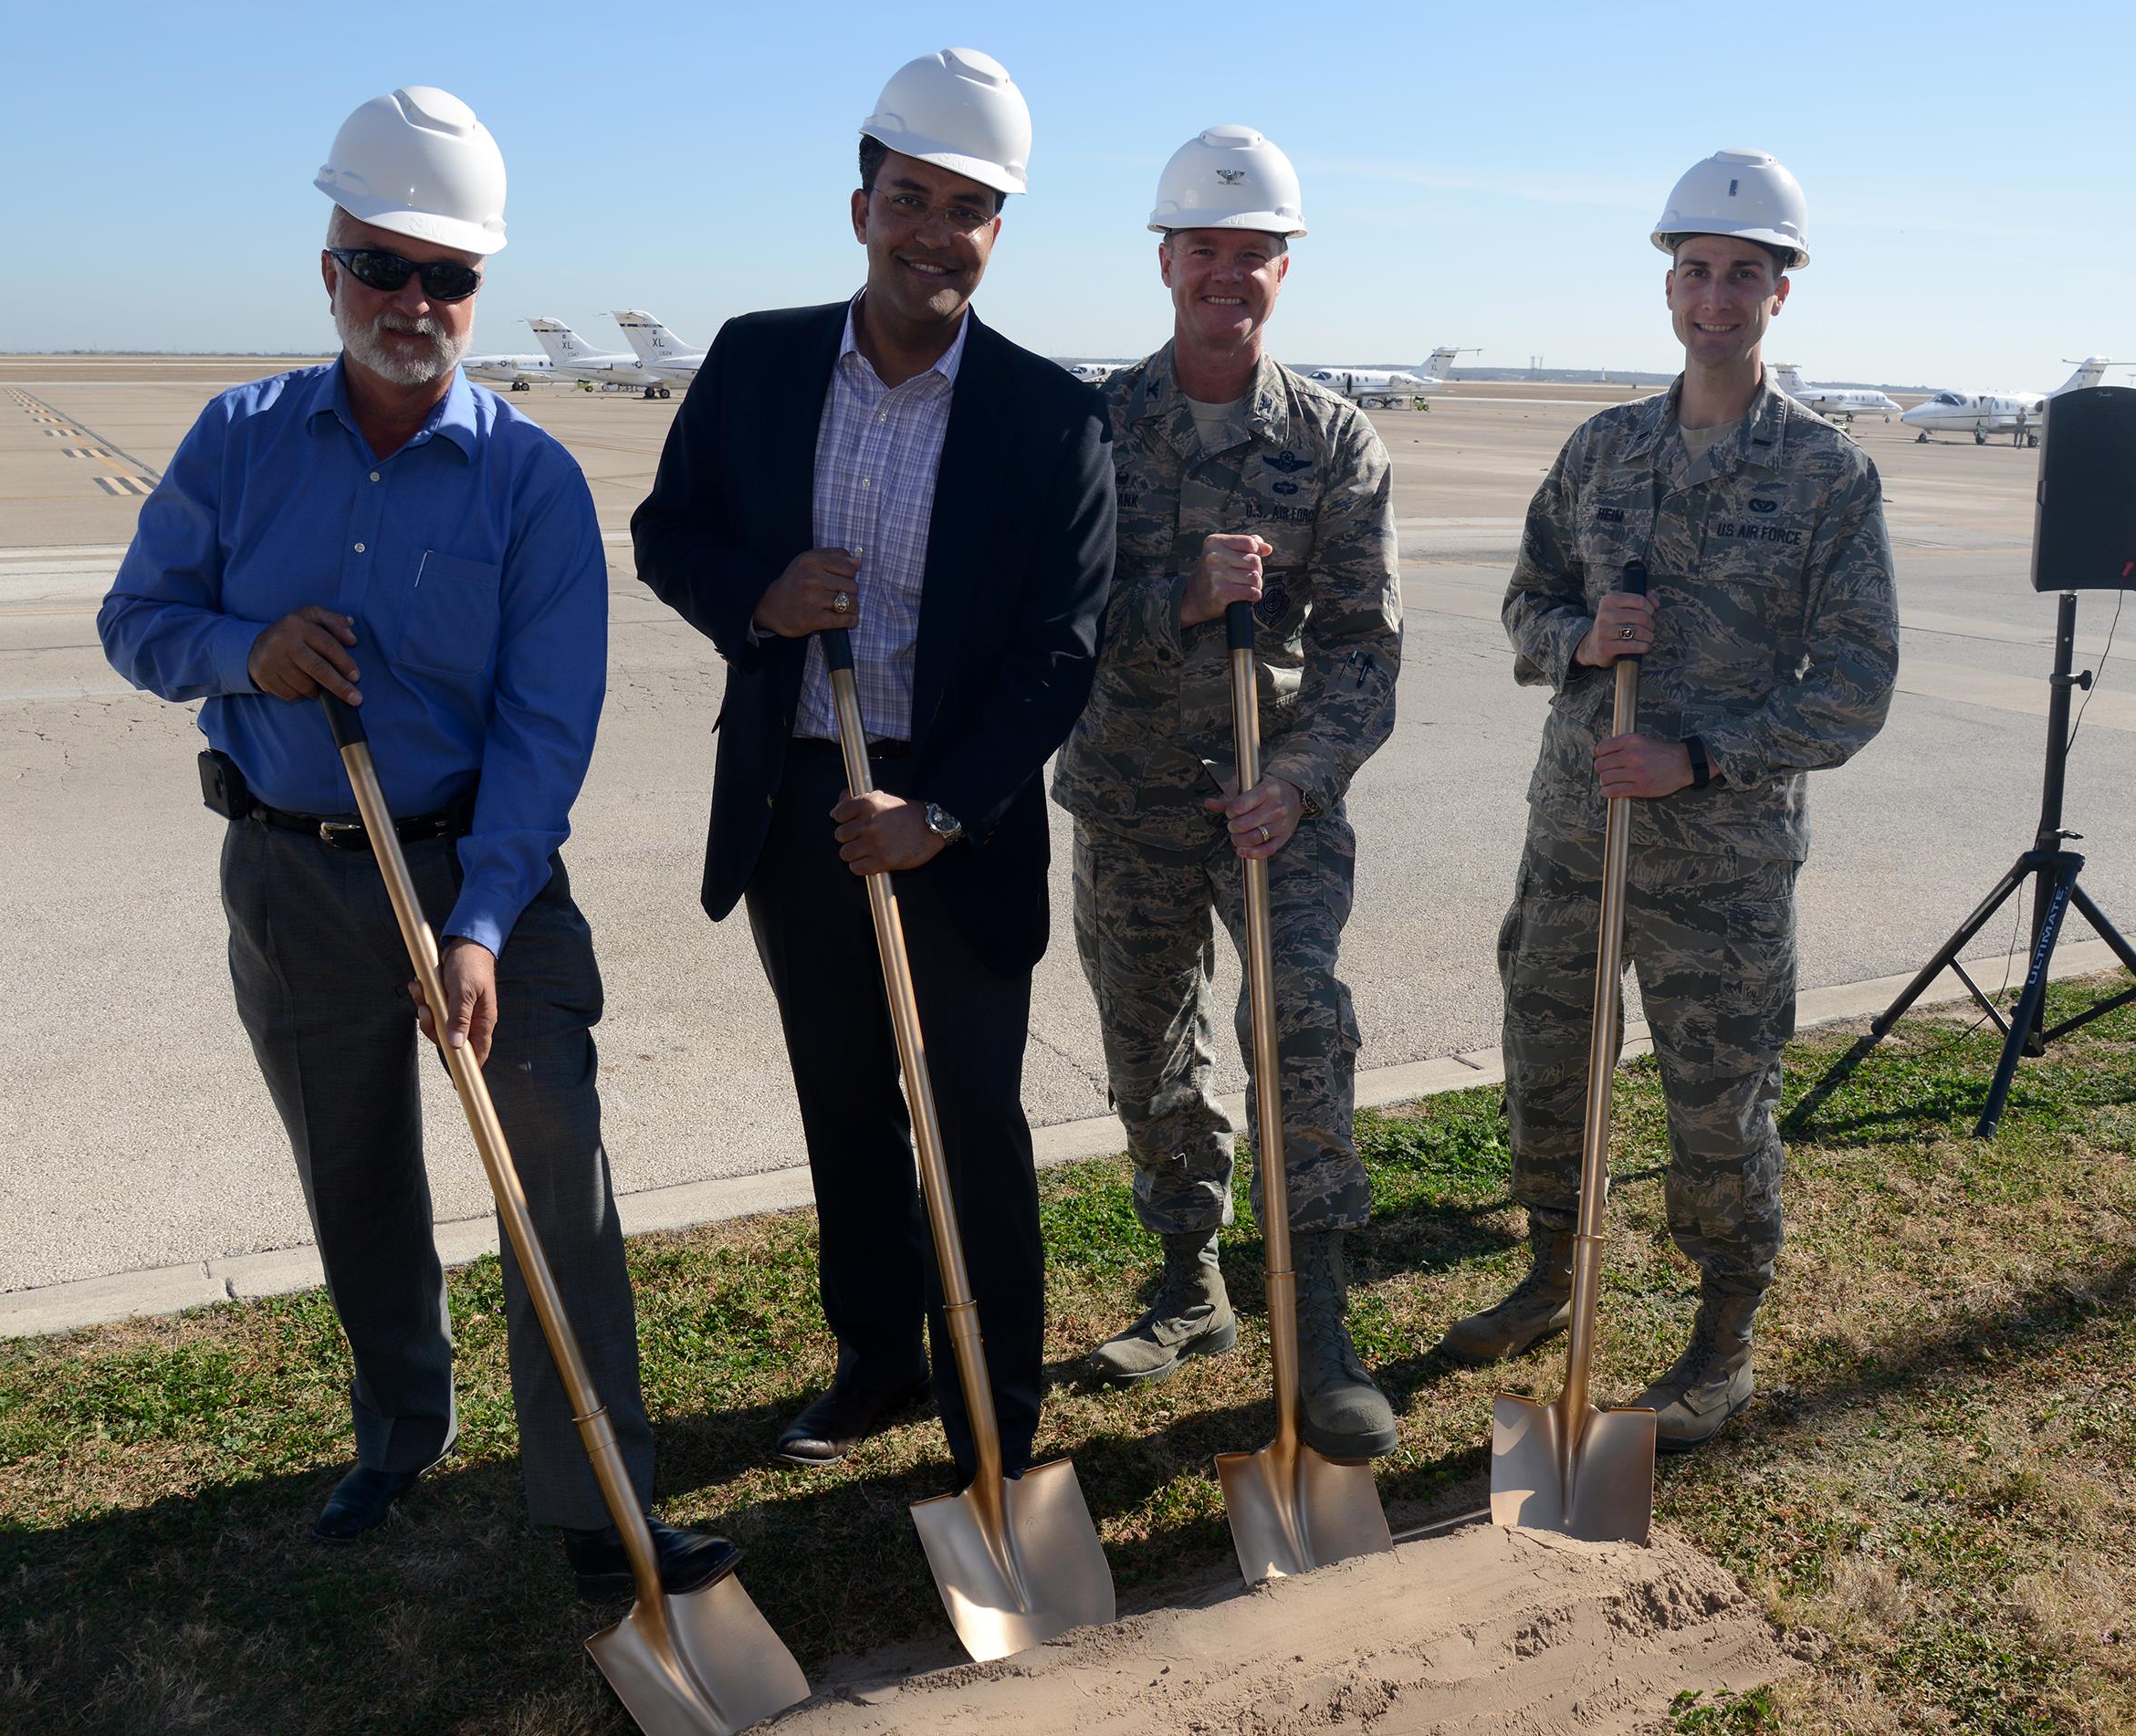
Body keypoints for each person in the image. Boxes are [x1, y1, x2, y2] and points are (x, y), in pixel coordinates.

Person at [98, 86, 735, 1595]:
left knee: (550, 1160)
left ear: (479, 291)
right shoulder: (240, 440)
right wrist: (245, 654)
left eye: (446, 275)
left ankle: (597, 1503)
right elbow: (136, 623)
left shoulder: (532, 483)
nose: (413, 301)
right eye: (381, 266)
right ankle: (400, 1424)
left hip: (477, 872)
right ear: (329, 270)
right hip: (290, 870)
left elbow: (545, 729)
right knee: (355, 1166)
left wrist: (485, 920)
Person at [630, 48, 1115, 1482]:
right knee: (843, 1096)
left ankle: (996, 1409)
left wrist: (940, 813)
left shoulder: (1050, 417)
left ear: (996, 234)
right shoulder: (758, 360)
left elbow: (1062, 650)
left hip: (948, 813)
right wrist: (764, 596)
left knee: (968, 1111)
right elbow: (670, 532)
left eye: (967, 208)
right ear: (861, 208)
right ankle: (877, 1356)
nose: (932, 232)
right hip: (798, 798)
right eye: (910, 197)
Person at [1438, 149, 1900, 1451]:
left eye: (1741, 274)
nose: (1713, 297)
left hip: (1722, 866)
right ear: (1669, 285)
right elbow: (1525, 602)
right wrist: (1581, 637)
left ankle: (1721, 1339)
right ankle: (1550, 1270)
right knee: (1547, 1069)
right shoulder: (1603, 450)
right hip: (1575, 836)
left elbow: (1855, 685)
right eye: (1693, 270)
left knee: (1714, 1105)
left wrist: (1702, 756)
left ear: (1779, 292)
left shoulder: (1826, 475)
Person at [1054, 127, 1403, 1459]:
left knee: (1301, 1019)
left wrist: (1302, 781)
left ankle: (1318, 1313)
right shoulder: (1096, 429)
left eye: (1255, 254)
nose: (1230, 275)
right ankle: (1190, 1279)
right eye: (1207, 251)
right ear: (1166, 262)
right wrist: (1180, 597)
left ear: (1283, 269)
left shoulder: (1332, 439)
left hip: (1277, 799)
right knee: (1147, 1043)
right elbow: (1053, 619)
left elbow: (1368, 646)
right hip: (1130, 795)